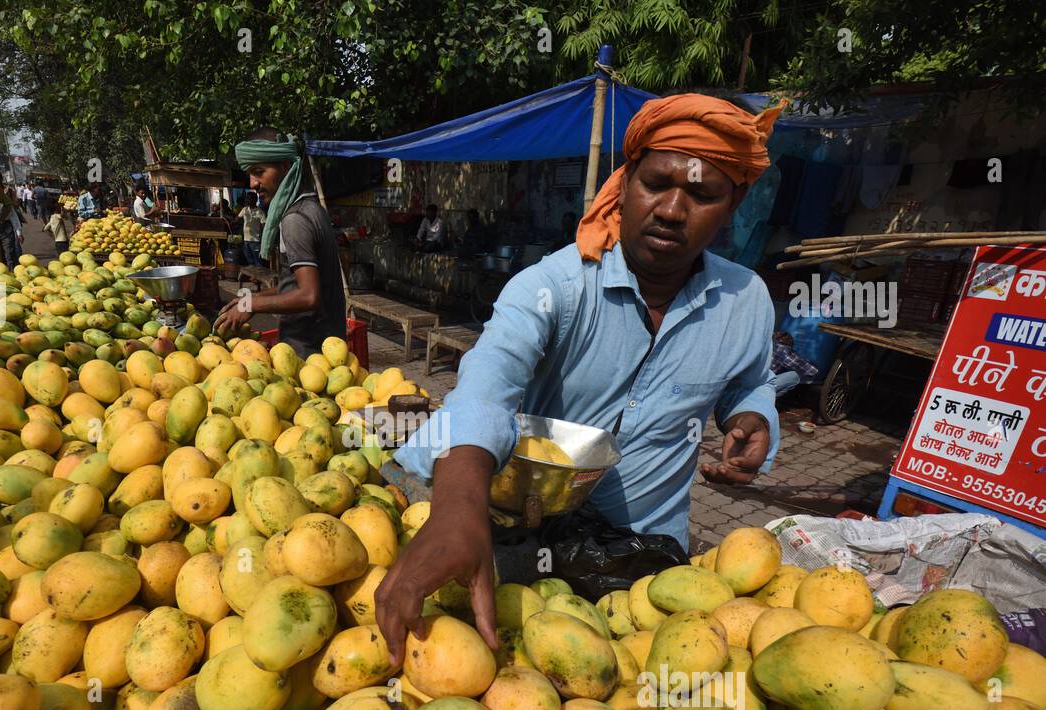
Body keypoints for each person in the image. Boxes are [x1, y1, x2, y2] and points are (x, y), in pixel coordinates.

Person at [375, 93, 786, 665]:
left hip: (649, 562)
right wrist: (455, 508)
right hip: (529, 545)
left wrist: (751, 416)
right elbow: (488, 382)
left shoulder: (747, 300)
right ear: (625, 180)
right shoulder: (554, 287)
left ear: (735, 202)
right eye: (656, 183)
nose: (670, 209)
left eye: (702, 194)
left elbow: (750, 381)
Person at [214, 128, 346, 355]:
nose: (253, 183)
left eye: (259, 172)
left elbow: (308, 295)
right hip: (327, 347)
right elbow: (291, 286)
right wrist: (250, 298)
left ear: (285, 167)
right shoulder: (313, 208)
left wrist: (252, 305)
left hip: (309, 354)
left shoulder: (295, 220)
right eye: (250, 174)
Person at [771, 331, 817, 397]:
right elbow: (811, 370)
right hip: (757, 387)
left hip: (752, 380)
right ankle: (765, 400)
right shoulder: (782, 349)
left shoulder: (767, 341)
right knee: (794, 375)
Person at [0, 185, 25, 269]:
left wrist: (19, 233)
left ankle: (12, 269)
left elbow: (14, 217)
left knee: (11, 251)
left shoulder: (9, 204)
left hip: (7, 227)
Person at [238, 192, 266, 267]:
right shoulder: (245, 209)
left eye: (249, 199)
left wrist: (263, 240)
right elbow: (237, 219)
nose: (247, 200)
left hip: (255, 241)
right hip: (246, 240)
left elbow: (264, 226)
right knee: (250, 262)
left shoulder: (260, 212)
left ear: (255, 200)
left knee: (258, 262)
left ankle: (259, 277)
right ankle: (253, 277)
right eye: (246, 198)